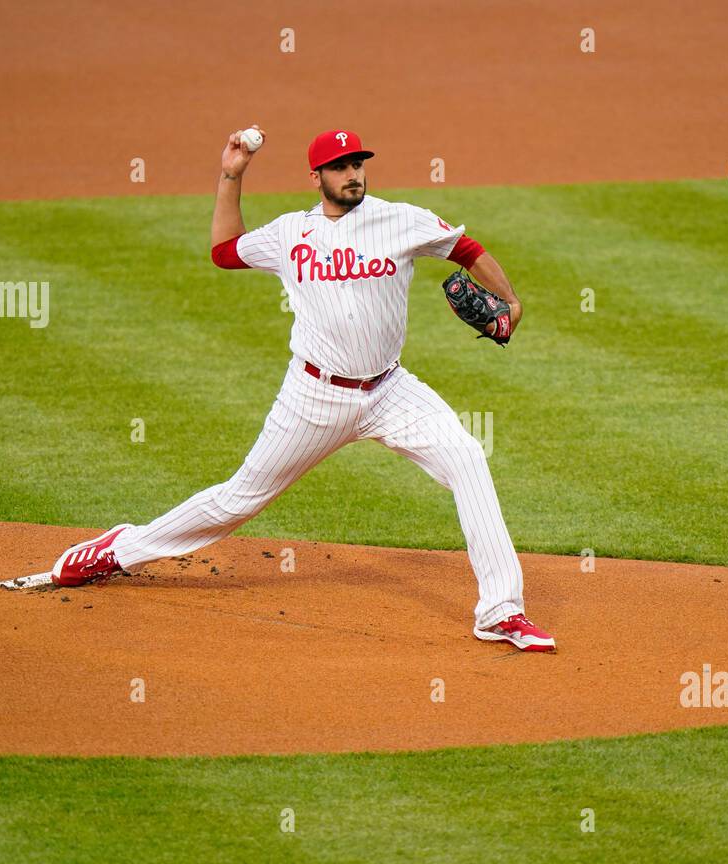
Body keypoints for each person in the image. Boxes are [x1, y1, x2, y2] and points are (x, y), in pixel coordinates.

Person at [50, 127, 556, 653]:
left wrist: (510, 301)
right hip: (314, 396)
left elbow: (466, 248)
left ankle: (501, 611)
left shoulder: (400, 219)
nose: (352, 173)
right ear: (316, 177)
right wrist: (231, 174)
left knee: (467, 457)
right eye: (339, 166)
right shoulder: (292, 233)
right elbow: (224, 251)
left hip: (390, 390)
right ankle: (120, 549)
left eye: (357, 163)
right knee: (237, 502)